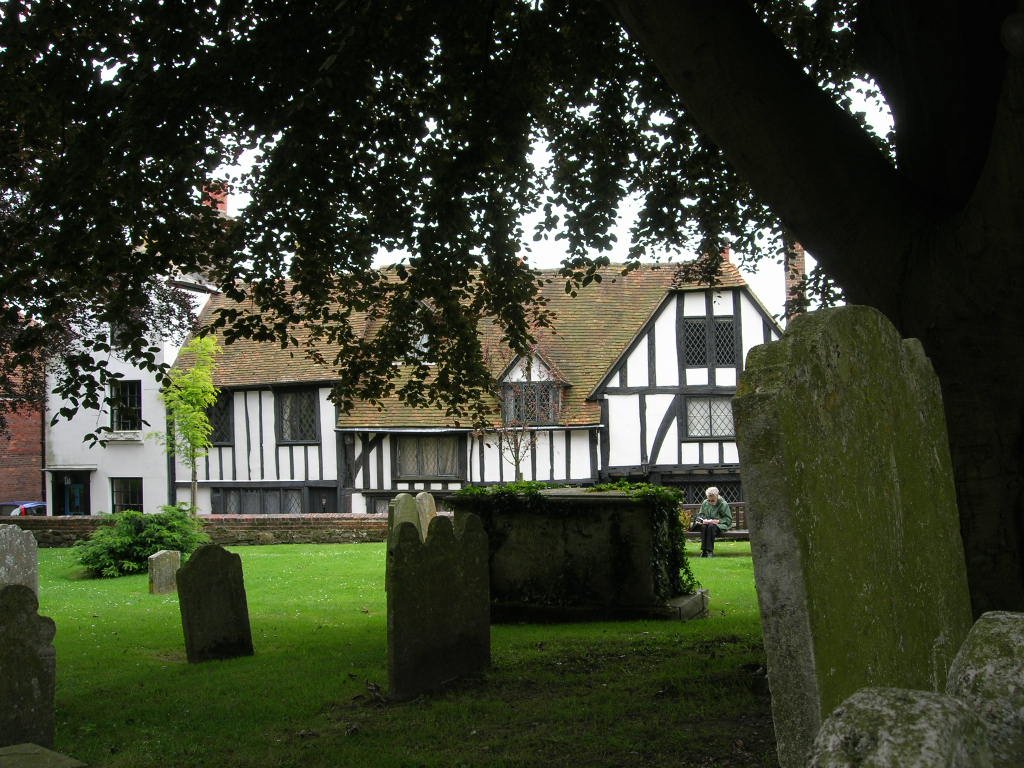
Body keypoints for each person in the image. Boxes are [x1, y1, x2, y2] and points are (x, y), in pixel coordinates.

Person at [691, 486, 732, 557]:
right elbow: (701, 515)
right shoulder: (705, 503)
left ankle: (710, 551)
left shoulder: (723, 504)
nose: (710, 502)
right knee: (704, 527)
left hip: (719, 525)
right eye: (709, 500)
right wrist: (703, 520)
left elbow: (728, 519)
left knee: (711, 527)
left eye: (712, 500)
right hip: (706, 524)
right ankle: (704, 551)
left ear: (717, 496)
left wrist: (718, 521)